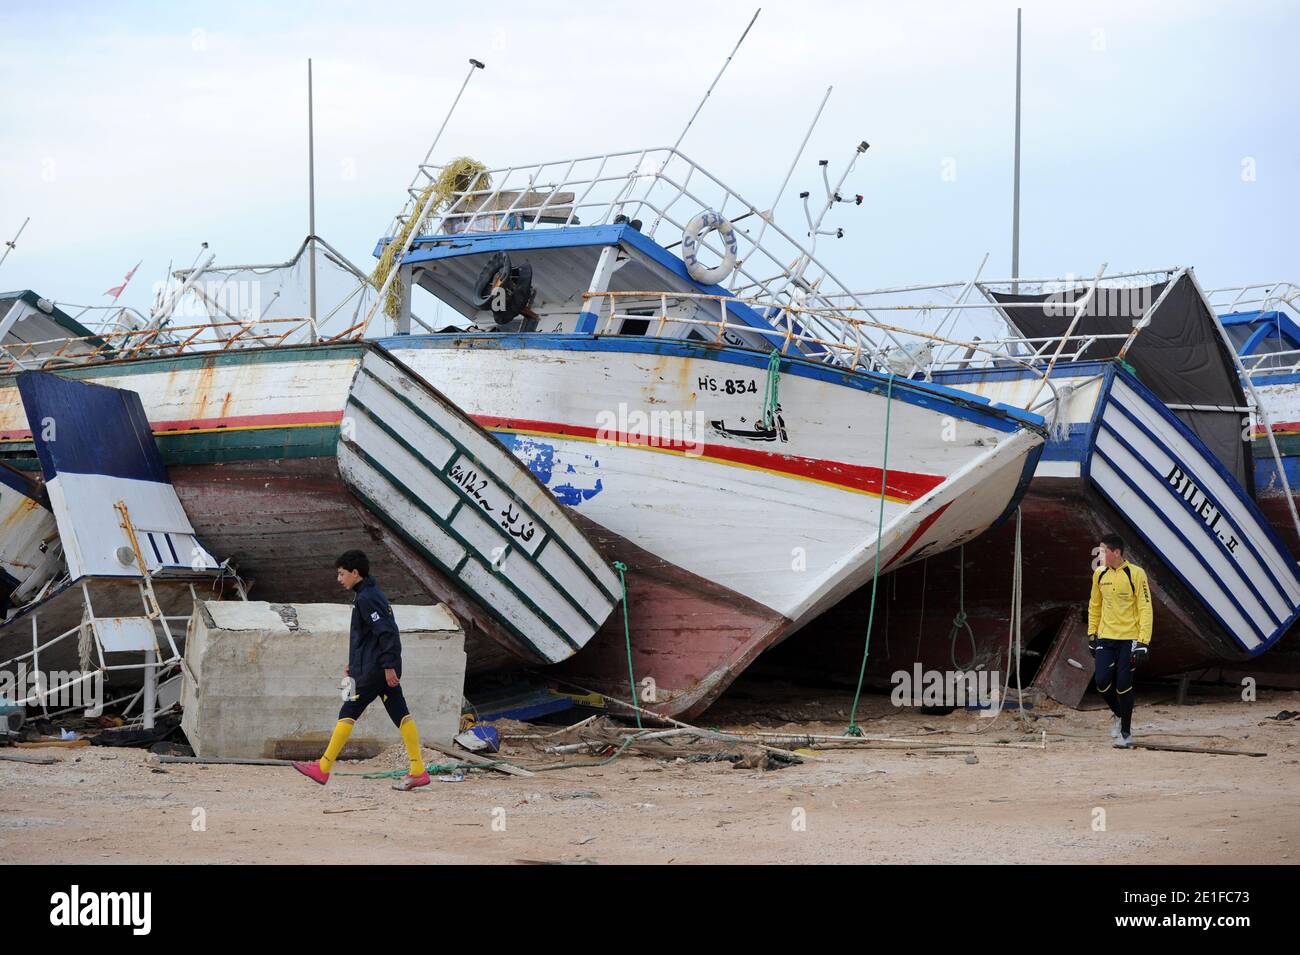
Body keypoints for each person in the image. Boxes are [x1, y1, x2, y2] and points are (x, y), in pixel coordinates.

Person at [292, 550, 431, 790]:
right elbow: (368, 637)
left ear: (355, 573)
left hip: (376, 670)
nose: (339, 579)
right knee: (401, 713)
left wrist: (388, 666)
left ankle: (323, 767)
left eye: (341, 574)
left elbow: (386, 632)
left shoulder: (367, 598)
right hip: (375, 667)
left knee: (349, 708)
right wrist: (354, 663)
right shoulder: (367, 594)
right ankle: (418, 770)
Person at [1087, 533, 1153, 749]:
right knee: (1102, 683)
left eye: (1104, 551)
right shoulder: (1099, 574)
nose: (1101, 554)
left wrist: (1143, 642)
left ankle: (1126, 733)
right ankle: (1118, 714)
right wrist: (1091, 634)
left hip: (1129, 638)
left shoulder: (1136, 574)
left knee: (1124, 686)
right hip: (1106, 637)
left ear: (1116, 552)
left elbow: (1145, 608)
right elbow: (1094, 605)